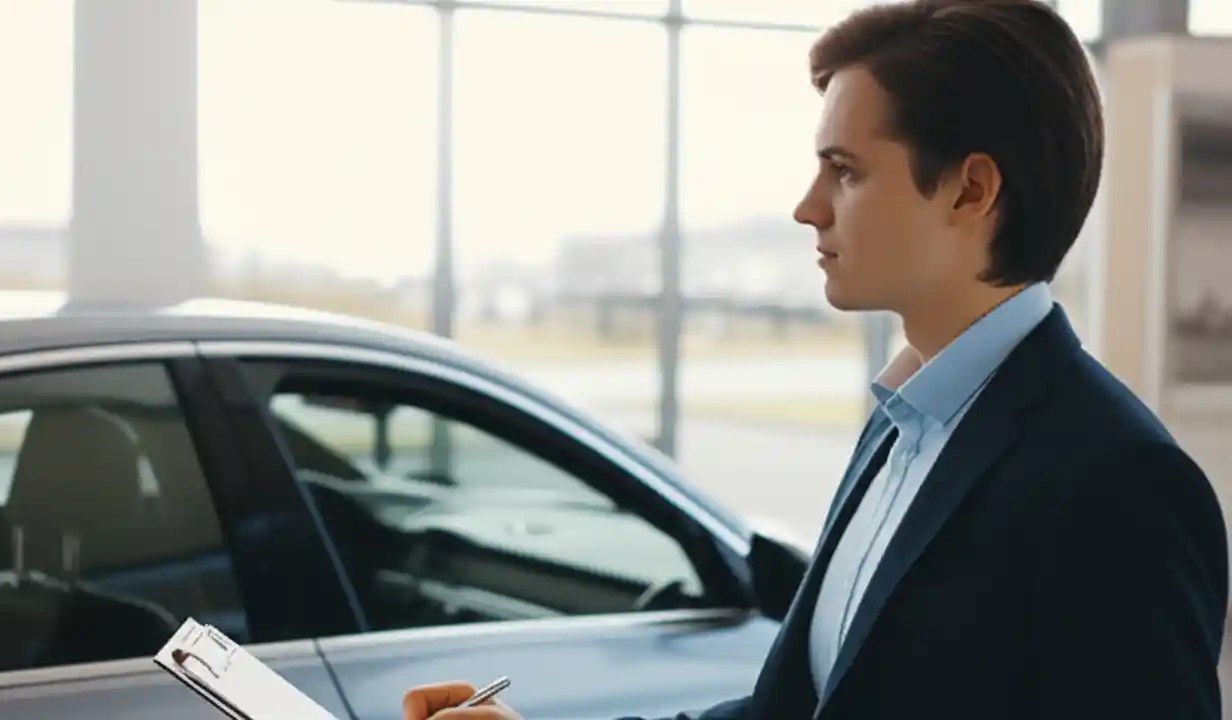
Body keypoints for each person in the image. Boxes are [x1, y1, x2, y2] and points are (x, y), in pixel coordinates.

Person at [402, 1, 1230, 718]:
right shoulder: (902, 431)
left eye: (845, 171)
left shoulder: (1119, 484)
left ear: (971, 191)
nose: (807, 207)